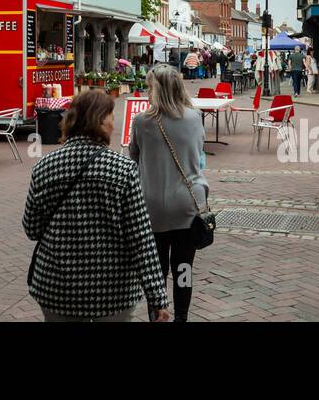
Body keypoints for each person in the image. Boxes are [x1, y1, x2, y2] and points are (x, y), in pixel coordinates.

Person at [23, 90, 170, 322]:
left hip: (57, 288)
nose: (114, 123)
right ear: (100, 120)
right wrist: (157, 298)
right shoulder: (123, 170)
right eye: (111, 116)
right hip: (111, 292)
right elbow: (141, 239)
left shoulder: (44, 167)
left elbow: (31, 229)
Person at [129, 65, 208, 322]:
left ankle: (157, 315)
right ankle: (181, 317)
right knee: (184, 266)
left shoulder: (142, 122)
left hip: (153, 206)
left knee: (157, 269)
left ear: (157, 89)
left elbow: (134, 157)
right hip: (188, 203)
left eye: (149, 86)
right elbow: (198, 153)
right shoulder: (195, 117)